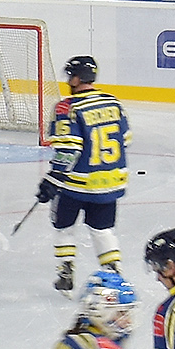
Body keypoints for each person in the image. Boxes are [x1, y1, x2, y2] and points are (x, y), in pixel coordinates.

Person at [38, 53, 129, 294]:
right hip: (109, 183)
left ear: (77, 78)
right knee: (102, 229)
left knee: (64, 227)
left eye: (70, 75)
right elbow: (126, 138)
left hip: (76, 185)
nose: (69, 79)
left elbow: (69, 148)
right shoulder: (113, 103)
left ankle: (66, 270)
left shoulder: (68, 107)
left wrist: (52, 179)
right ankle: (113, 271)